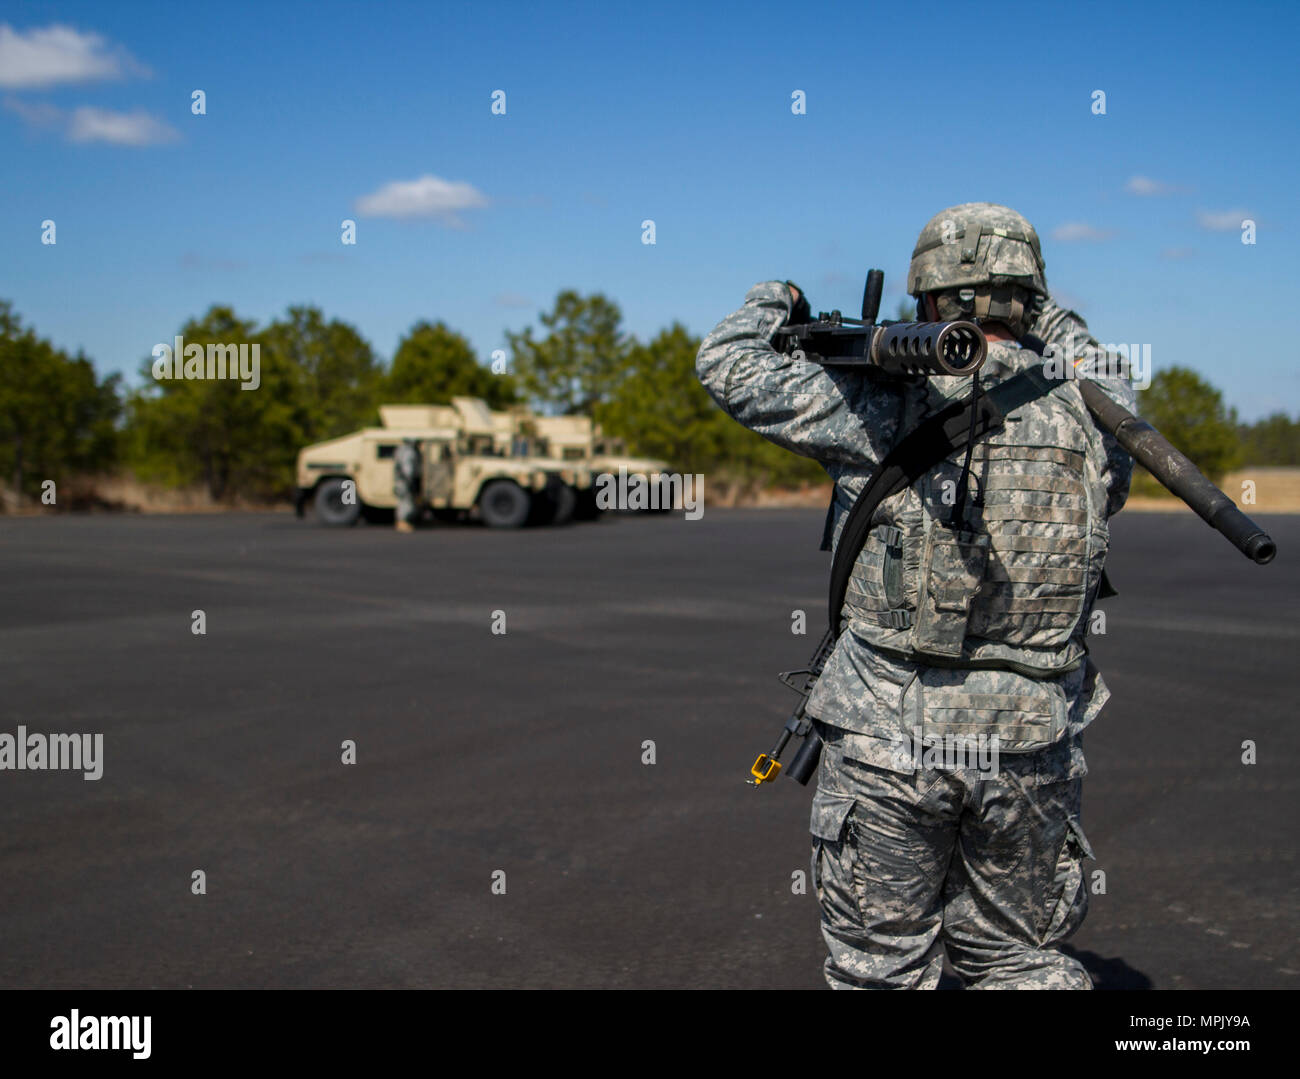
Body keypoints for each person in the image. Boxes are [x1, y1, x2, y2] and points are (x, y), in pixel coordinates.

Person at [696, 203, 1136, 989]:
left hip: (888, 739)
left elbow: (727, 365)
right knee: (1016, 962)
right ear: (1029, 294)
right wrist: (1044, 314)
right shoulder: (1094, 409)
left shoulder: (883, 402)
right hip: (1029, 742)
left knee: (883, 970)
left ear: (928, 296)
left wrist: (779, 298)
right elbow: (1107, 436)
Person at [393, 438, 423, 533]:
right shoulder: (409, 452)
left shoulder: (401, 450)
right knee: (406, 502)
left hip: (400, 480)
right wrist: (411, 481)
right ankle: (402, 522)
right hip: (405, 481)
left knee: (404, 501)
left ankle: (403, 522)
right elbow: (408, 469)